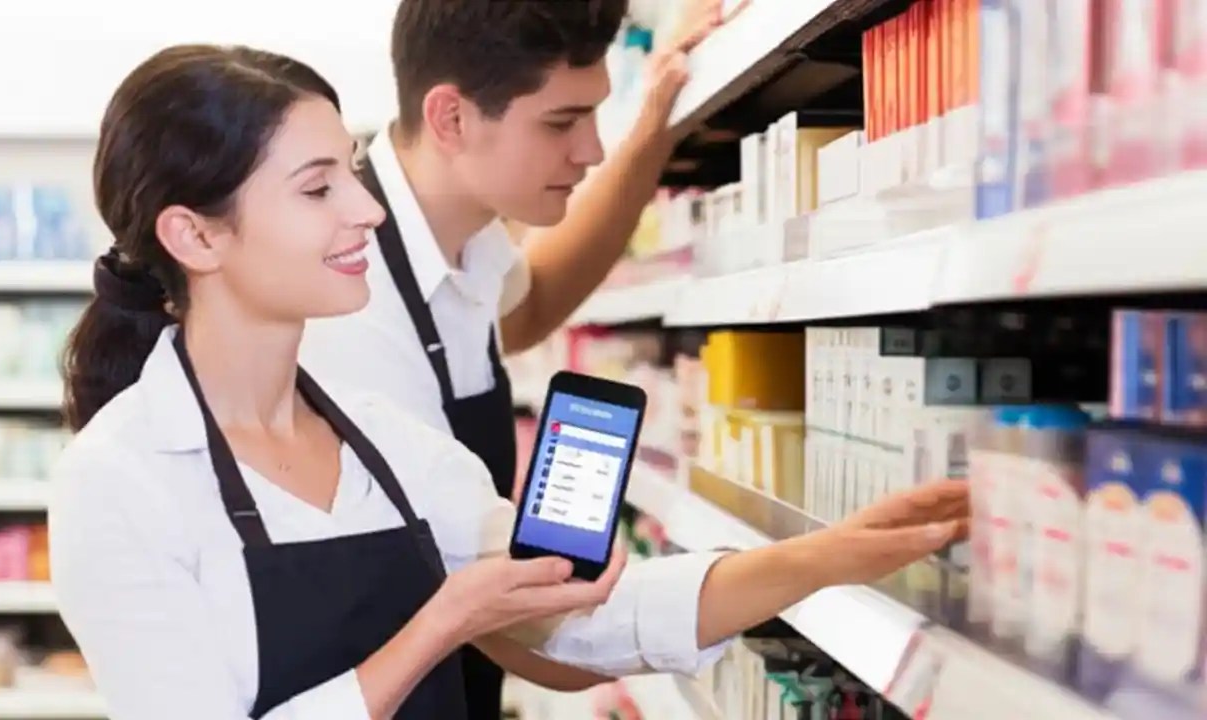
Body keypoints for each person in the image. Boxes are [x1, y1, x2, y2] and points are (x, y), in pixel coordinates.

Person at [49, 44, 969, 720]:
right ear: (195, 235)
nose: (368, 210)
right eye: (318, 188)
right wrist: (439, 624)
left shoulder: (380, 439)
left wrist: (834, 555)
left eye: (356, 176)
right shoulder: (120, 482)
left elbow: (584, 615)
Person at [296, 3, 722, 710]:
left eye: (594, 117)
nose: (589, 150)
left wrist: (657, 123)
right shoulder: (353, 307)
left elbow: (530, 305)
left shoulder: (464, 236)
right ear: (452, 118)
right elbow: (517, 627)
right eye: (561, 122)